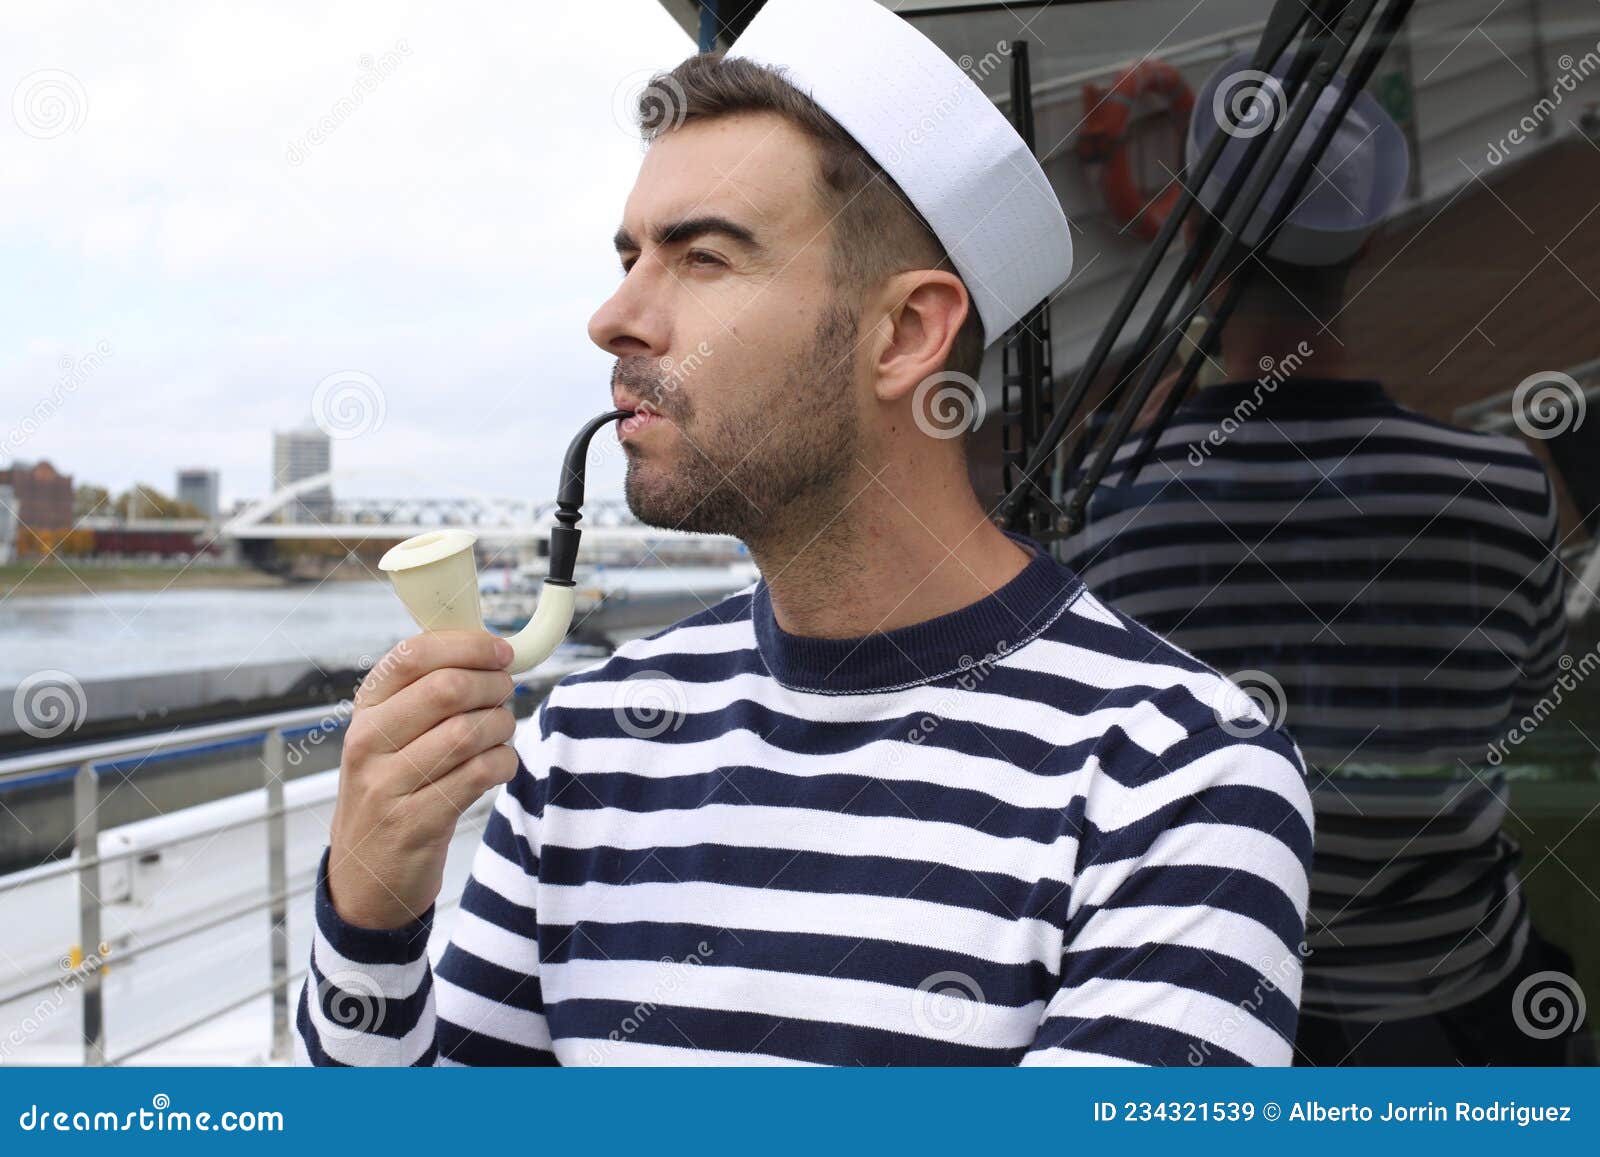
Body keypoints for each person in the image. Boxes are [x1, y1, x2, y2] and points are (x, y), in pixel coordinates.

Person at [295, 0, 1312, 1067]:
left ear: (907, 332)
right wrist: (370, 917)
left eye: (702, 258)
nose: (612, 315)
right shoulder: (581, 743)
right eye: (631, 252)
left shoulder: (1179, 779)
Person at [1064, 49, 1578, 1063]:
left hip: (1224, 1017)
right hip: (1464, 1008)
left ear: (1196, 245)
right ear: (1367, 240)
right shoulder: (1503, 490)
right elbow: (1520, 699)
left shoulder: (1110, 509)